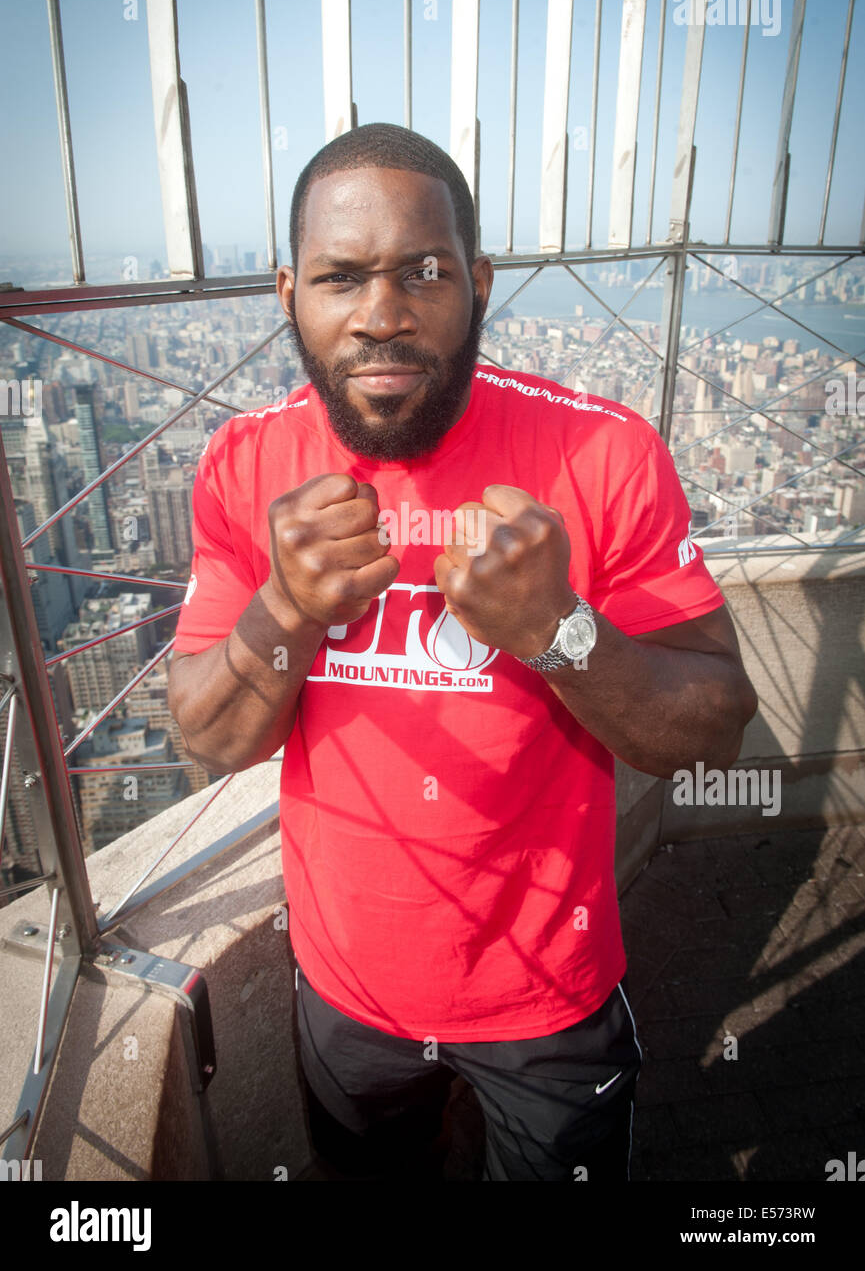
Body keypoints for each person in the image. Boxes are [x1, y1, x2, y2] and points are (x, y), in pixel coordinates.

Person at [167, 122, 758, 1182]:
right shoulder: (245, 463)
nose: (382, 316)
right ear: (287, 290)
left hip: (549, 996)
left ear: (479, 283)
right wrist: (284, 609)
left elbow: (710, 718)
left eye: (423, 273)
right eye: (341, 278)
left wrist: (556, 631)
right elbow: (208, 734)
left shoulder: (601, 450)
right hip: (343, 995)